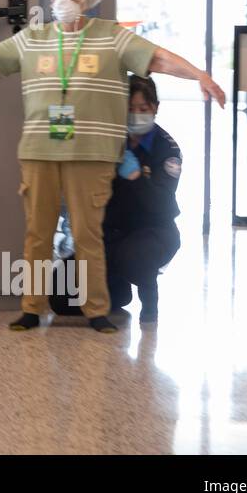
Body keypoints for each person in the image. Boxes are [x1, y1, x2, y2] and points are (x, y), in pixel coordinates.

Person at [0, 0, 223, 333]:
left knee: (89, 233)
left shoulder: (112, 37)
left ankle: (96, 309)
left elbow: (160, 58)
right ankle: (31, 308)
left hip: (92, 153)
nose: (60, 0)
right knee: (37, 234)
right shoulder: (34, 39)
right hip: (40, 151)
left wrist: (199, 74)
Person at [51, 75, 182, 324]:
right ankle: (117, 290)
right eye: (129, 109)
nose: (136, 115)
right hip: (111, 233)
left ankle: (149, 301)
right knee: (60, 295)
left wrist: (136, 177)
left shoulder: (167, 149)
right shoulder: (111, 139)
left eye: (143, 109)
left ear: (155, 108)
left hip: (154, 232)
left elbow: (161, 205)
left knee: (133, 257)